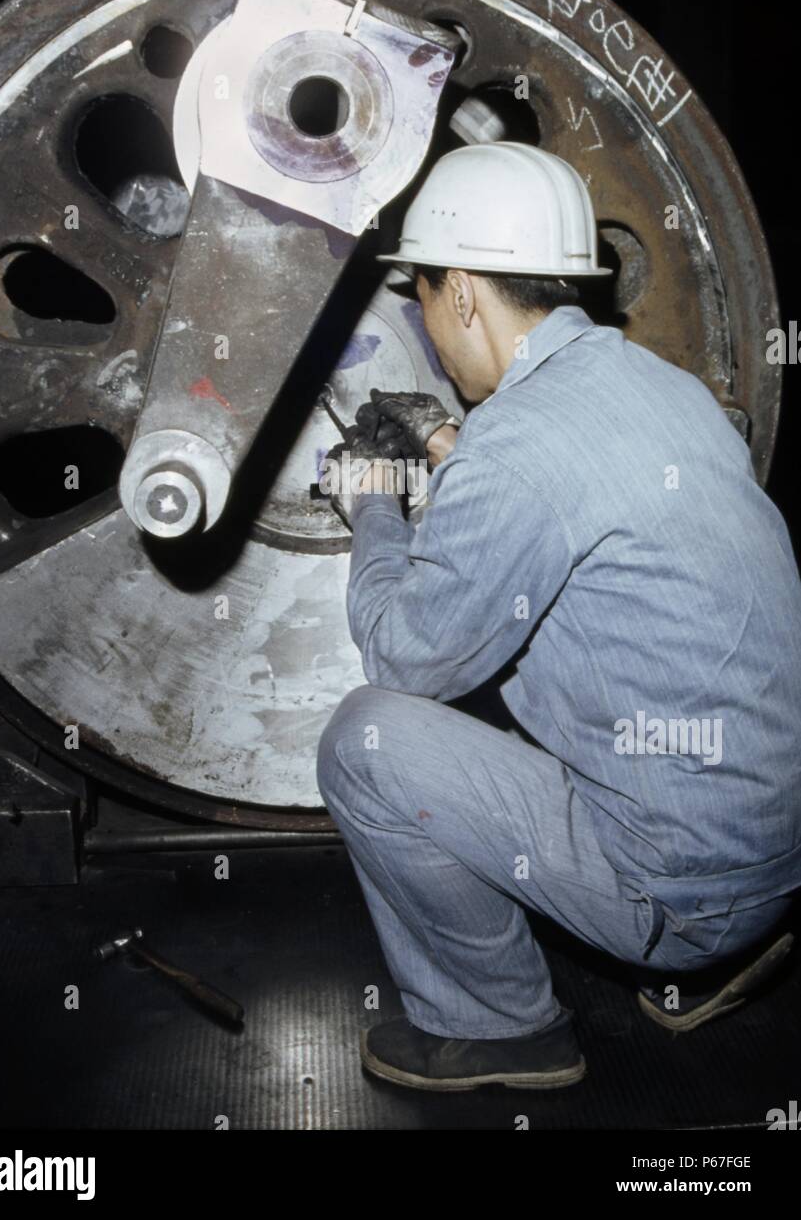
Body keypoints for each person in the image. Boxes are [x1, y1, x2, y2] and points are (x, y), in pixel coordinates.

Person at [316, 141, 801, 1092]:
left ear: (458, 291)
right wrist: (449, 445)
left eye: (419, 294)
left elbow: (404, 657)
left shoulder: (518, 449)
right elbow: (565, 491)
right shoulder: (663, 390)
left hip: (683, 894)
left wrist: (371, 502)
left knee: (367, 742)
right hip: (768, 853)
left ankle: (500, 1027)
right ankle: (719, 945)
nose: (422, 316)